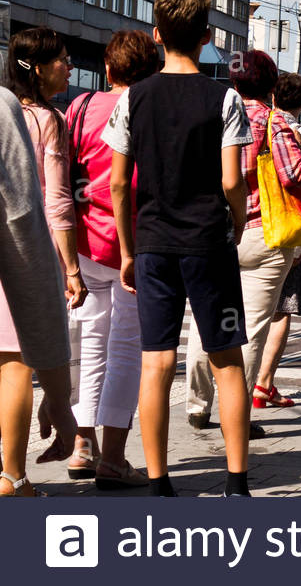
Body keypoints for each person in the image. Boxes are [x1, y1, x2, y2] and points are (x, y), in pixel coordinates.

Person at [104, 0, 254, 497]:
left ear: (156, 35)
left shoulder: (134, 98)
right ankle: (237, 481)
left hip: (152, 243)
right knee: (226, 358)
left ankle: (159, 481)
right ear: (207, 37)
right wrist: (236, 221)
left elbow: (119, 183)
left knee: (157, 360)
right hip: (208, 243)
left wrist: (128, 248)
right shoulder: (225, 97)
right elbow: (233, 181)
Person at [185, 49, 301, 438]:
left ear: (235, 82)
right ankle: (235, 413)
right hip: (261, 232)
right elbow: (293, 174)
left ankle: (197, 405)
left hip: (213, 232)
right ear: (272, 85)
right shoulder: (276, 122)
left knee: (205, 320)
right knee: (251, 329)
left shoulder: (213, 116)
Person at [65, 30, 159, 489]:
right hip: (133, 245)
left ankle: (83, 443)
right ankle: (115, 457)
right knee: (126, 347)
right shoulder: (150, 113)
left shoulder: (80, 107)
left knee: (90, 341)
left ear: (108, 68)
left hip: (84, 244)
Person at [0, 86, 81, 496]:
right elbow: (21, 221)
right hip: (10, 266)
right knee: (13, 360)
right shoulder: (2, 107)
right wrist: (59, 397)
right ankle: (12, 476)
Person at [6, 28, 85, 309]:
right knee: (28, 348)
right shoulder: (50, 120)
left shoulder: (6, 113)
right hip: (35, 249)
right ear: (38, 69)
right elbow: (58, 200)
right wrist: (73, 270)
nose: (70, 67)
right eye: (63, 60)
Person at [253, 72, 301, 410]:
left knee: (256, 310)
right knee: (282, 310)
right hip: (287, 228)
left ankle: (251, 381)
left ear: (274, 97)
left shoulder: (261, 125)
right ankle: (263, 383)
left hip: (257, 225)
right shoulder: (299, 132)